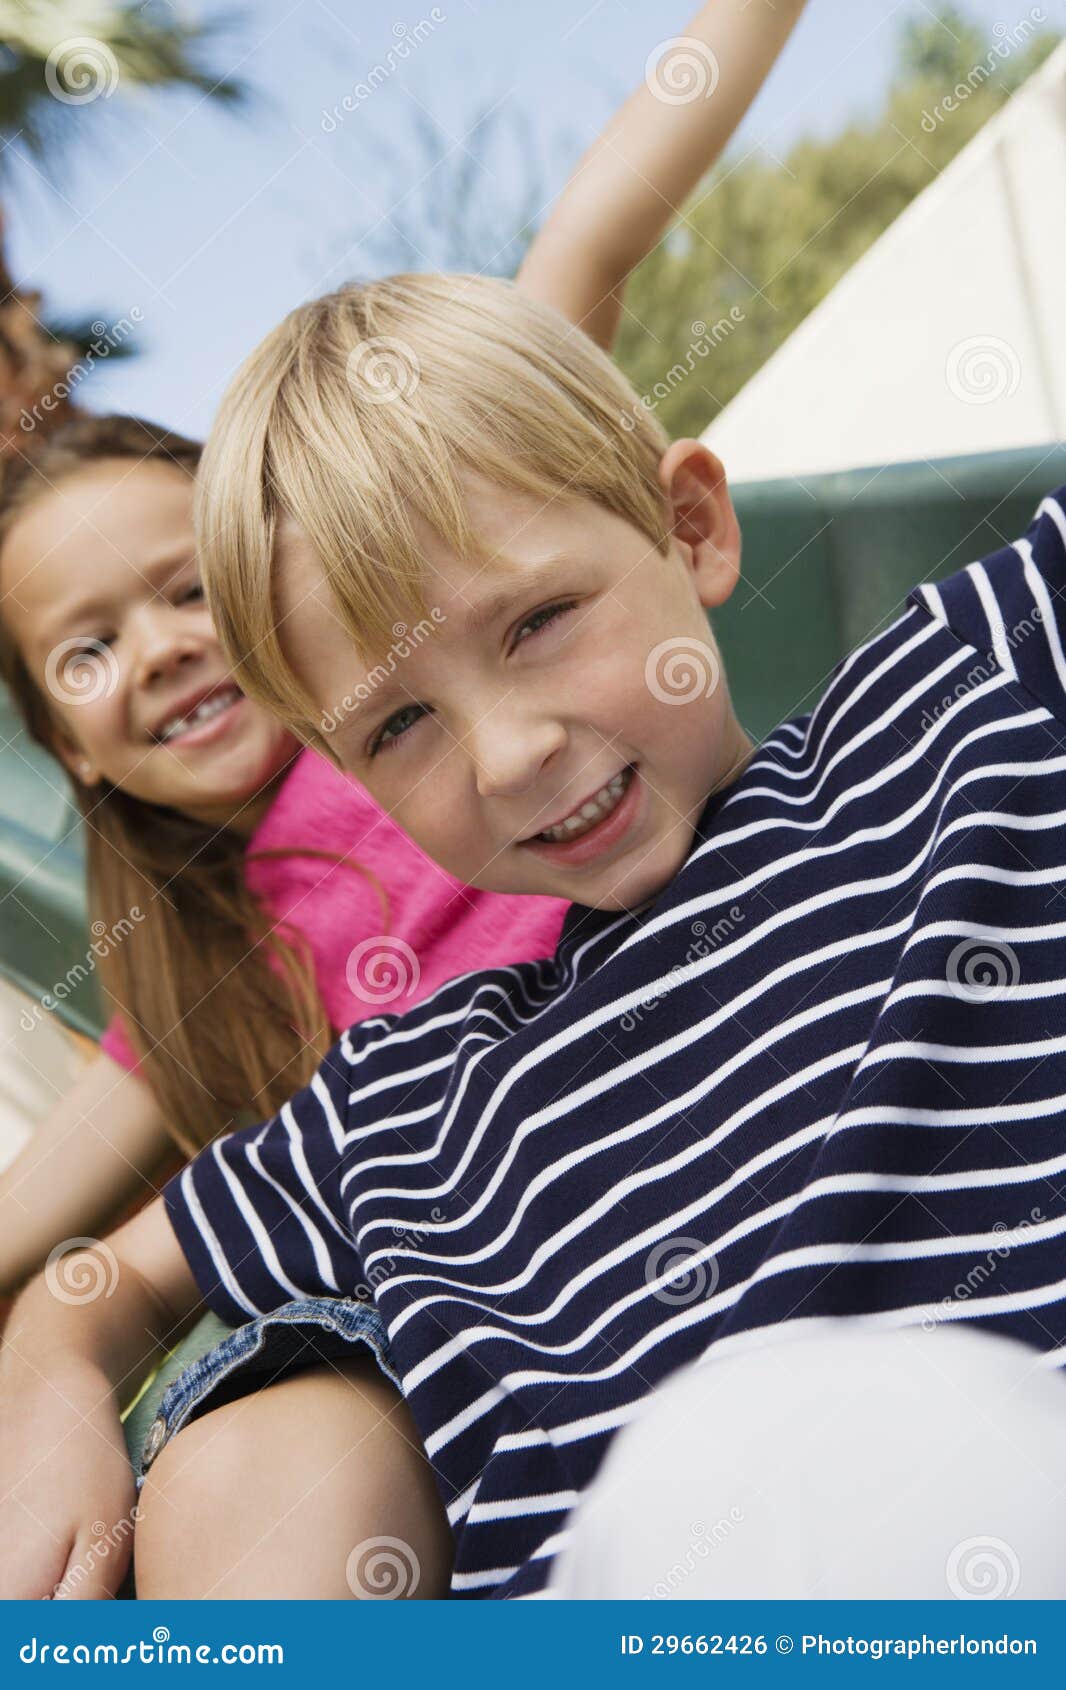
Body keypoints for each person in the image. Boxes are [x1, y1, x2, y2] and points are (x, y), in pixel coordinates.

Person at [7, 263, 1066, 1603]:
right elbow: (99, 1280)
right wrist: (46, 1375)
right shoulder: (406, 1099)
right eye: (400, 727)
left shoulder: (958, 701)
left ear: (690, 529)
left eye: (539, 622)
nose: (506, 754)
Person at [0, 0, 810, 1599]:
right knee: (261, 1454)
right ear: (68, 750)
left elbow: (592, 225)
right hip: (476, 1279)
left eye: (188, 595)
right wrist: (47, 1369)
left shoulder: (434, 643)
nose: (160, 654)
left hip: (714, 1119)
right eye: (86, 654)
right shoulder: (197, 975)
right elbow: (49, 1238)